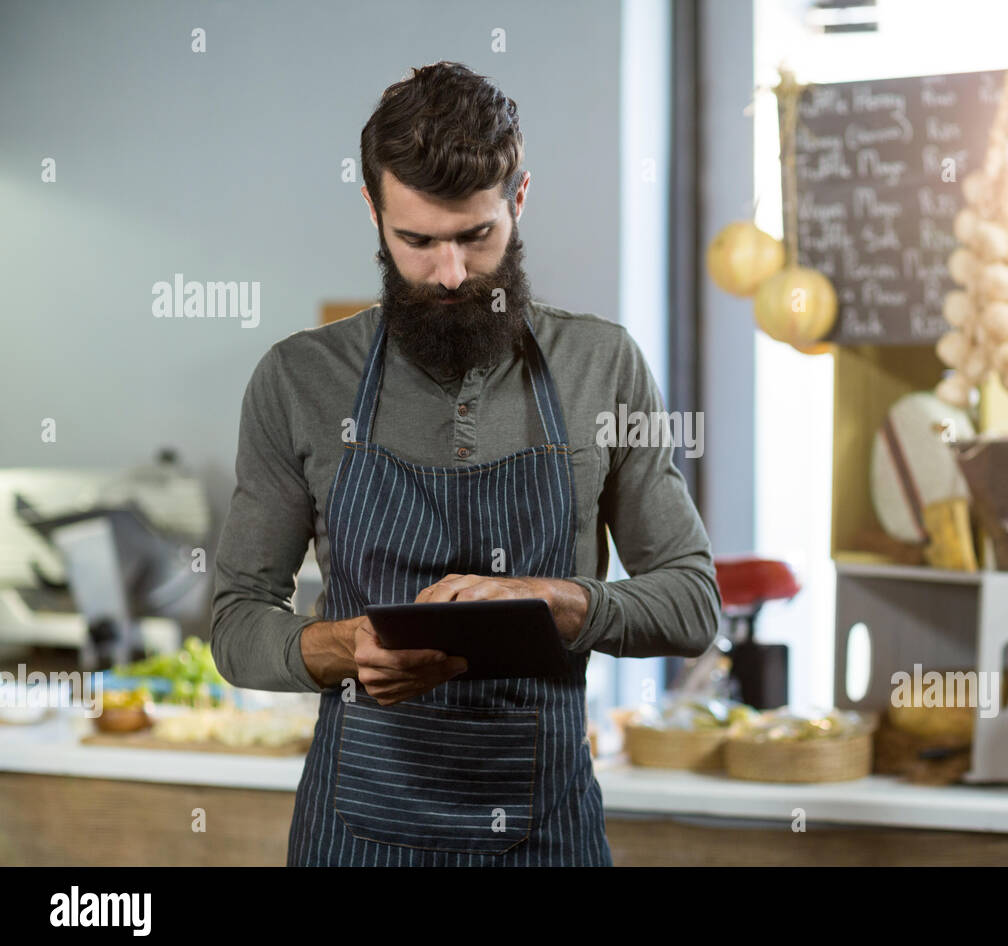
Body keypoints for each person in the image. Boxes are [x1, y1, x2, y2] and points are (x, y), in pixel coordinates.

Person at [210, 61, 721, 866]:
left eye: (475, 236)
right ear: (372, 209)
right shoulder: (299, 380)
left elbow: (694, 603)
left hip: (544, 835)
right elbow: (235, 621)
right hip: (353, 835)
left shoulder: (601, 365)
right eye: (416, 241)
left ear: (518, 200)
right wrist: (346, 649)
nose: (448, 275)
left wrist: (559, 603)